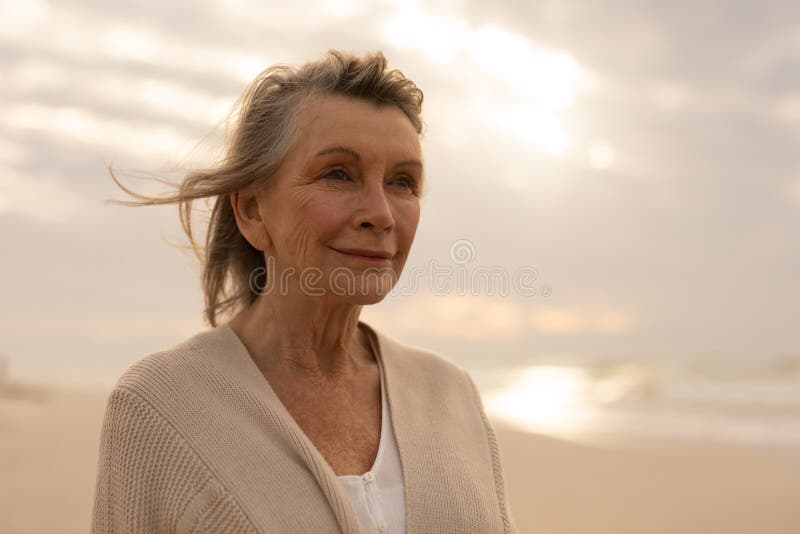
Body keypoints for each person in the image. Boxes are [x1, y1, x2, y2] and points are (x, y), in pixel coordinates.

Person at [92, 49, 518, 534]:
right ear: (252, 209)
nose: (380, 213)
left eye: (403, 181)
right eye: (338, 173)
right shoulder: (159, 407)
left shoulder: (450, 394)